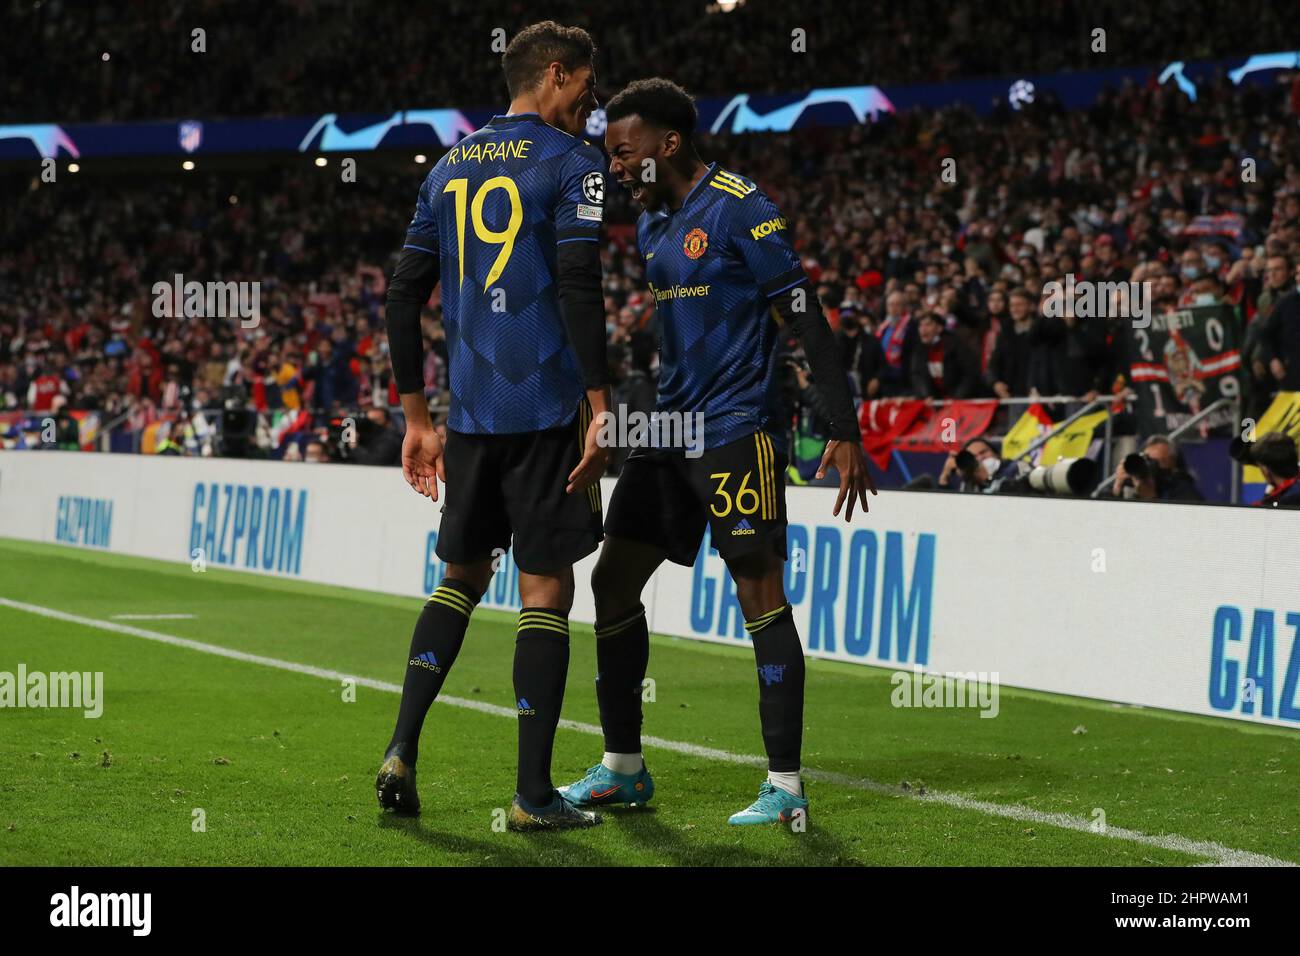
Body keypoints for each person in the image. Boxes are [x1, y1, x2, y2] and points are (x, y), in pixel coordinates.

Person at [559, 78, 875, 826]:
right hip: (670, 429)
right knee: (611, 582)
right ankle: (623, 768)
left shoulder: (739, 205)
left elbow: (805, 317)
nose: (614, 167)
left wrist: (843, 426)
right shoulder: (649, 225)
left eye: (623, 153)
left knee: (756, 590)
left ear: (668, 145)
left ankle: (787, 785)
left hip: (738, 428)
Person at [375, 20, 609, 831]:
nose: (592, 100)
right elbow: (579, 281)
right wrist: (603, 404)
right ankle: (533, 797)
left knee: (461, 579)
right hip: (545, 408)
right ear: (554, 73)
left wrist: (416, 418)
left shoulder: (446, 168)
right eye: (585, 82)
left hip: (470, 415)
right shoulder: (577, 163)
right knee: (545, 590)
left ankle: (400, 746)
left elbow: (402, 296)